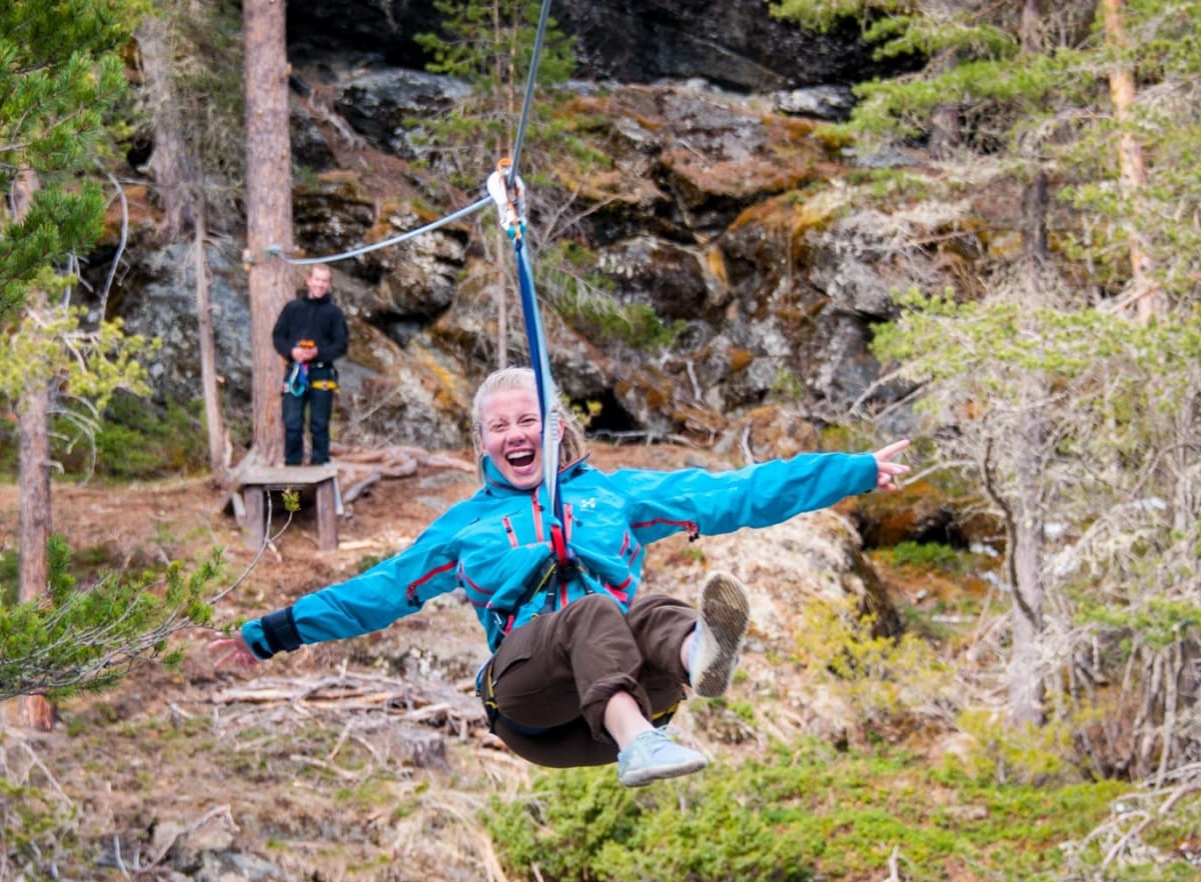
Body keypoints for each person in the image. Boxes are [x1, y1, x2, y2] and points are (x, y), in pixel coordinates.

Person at [212, 366, 910, 787]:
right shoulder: (465, 527)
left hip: (639, 687)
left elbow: (736, 492)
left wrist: (855, 470)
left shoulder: (616, 496)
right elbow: (374, 594)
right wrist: (268, 634)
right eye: (498, 426)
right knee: (590, 613)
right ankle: (640, 741)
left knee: (648, 609)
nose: (515, 435)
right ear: (482, 442)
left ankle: (700, 656)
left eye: (528, 420)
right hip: (535, 708)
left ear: (556, 429)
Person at [272, 264, 349, 466]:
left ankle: (320, 464)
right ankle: (292, 464)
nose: (320, 285)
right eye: (317, 279)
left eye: (325, 281)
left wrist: (318, 353)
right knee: (292, 422)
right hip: (295, 372)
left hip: (322, 373)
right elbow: (278, 336)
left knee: (319, 423)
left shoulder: (334, 313)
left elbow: (341, 345)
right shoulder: (293, 308)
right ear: (309, 281)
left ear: (329, 284)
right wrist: (291, 352)